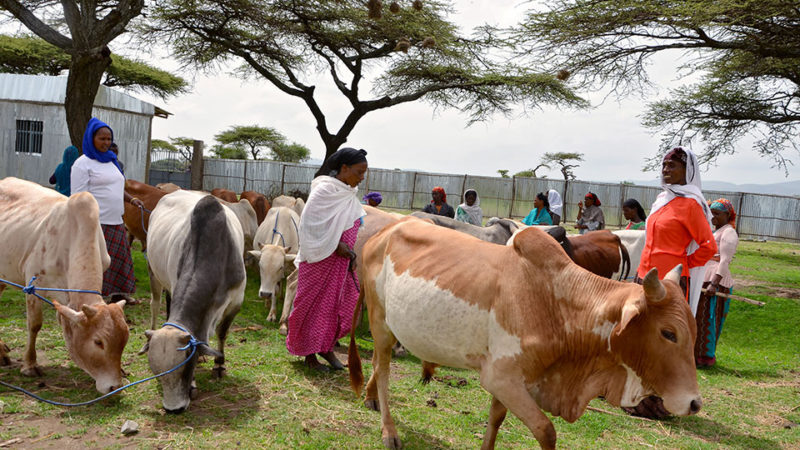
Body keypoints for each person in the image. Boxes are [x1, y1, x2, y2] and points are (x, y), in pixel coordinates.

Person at [626, 146, 716, 419]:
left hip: (671, 284)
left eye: (673, 166)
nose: (666, 170)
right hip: (644, 278)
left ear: (687, 171)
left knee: (663, 342)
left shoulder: (691, 204)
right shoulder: (661, 200)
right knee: (642, 337)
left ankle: (659, 403)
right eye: (664, 166)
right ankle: (636, 395)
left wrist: (683, 264)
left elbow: (708, 246)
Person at [287, 147, 368, 372]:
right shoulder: (324, 191)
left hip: (340, 263)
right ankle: (308, 353)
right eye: (359, 172)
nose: (362, 177)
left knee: (335, 306)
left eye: (364, 173)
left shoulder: (347, 193)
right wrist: (336, 245)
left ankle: (326, 347)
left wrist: (349, 253)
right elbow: (309, 227)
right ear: (344, 168)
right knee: (311, 305)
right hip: (319, 260)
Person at [71, 117, 144, 303]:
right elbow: (78, 197)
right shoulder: (82, 163)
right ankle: (95, 296)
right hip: (96, 222)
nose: (106, 143)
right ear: (91, 138)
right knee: (97, 262)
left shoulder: (111, 161)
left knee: (117, 261)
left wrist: (132, 199)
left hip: (116, 220)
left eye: (108, 139)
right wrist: (85, 223)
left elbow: (118, 187)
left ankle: (118, 296)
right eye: (101, 139)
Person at [695, 198, 739, 368]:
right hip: (705, 279)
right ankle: (696, 354)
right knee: (701, 318)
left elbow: (724, 260)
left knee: (710, 319)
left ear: (727, 215)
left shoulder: (729, 233)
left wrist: (714, 283)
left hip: (717, 281)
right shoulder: (715, 231)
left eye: (717, 214)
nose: (713, 217)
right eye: (711, 213)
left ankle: (706, 358)